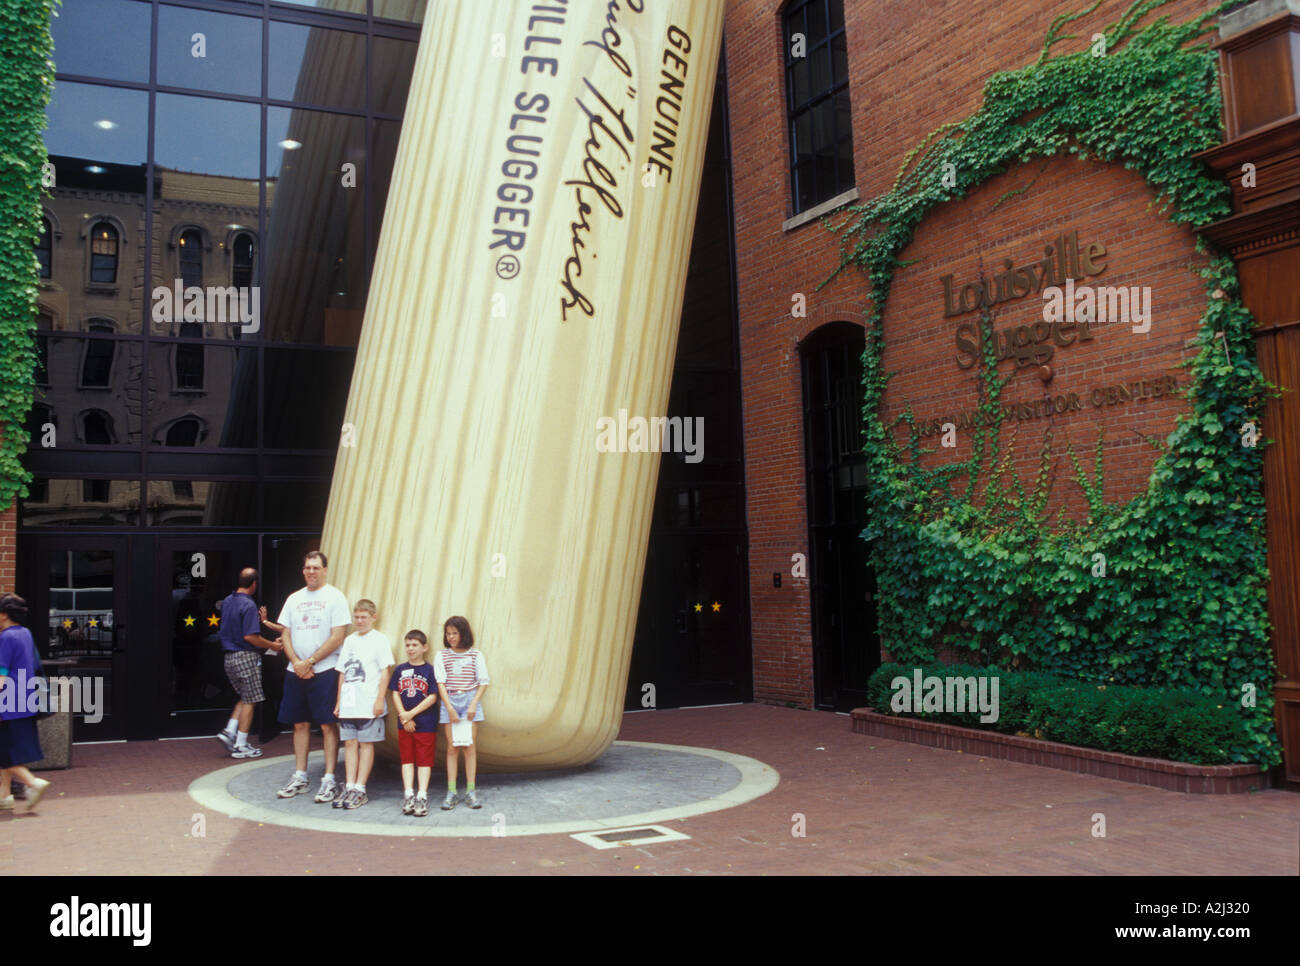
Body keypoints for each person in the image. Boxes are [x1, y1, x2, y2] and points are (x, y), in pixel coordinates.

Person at [275, 551, 351, 804]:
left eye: (316, 568)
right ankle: (300, 776)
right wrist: (297, 662)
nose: (311, 572)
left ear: (325, 570)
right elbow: (286, 633)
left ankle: (329, 779)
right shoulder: (294, 598)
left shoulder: (335, 597)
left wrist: (310, 661)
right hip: (295, 671)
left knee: (328, 725)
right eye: (307, 567)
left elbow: (338, 636)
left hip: (325, 670)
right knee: (299, 723)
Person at [330, 600, 393, 809]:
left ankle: (360, 788)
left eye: (364, 617)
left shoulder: (380, 640)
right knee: (349, 743)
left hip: (368, 702)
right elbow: (342, 672)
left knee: (366, 744)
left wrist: (379, 699)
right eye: (356, 617)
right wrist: (339, 700)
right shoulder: (349, 640)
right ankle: (349, 785)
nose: (359, 621)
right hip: (350, 702)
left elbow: (386, 671)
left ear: (373, 617)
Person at [215, 568, 284, 758]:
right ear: (254, 583)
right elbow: (251, 637)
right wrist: (273, 645)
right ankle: (241, 744)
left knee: (245, 696)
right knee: (251, 701)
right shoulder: (249, 604)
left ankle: (229, 731)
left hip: (229, 657)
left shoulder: (228, 601)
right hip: (246, 656)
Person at [0, 594, 52, 813]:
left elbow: (1, 675)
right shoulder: (26, 634)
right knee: (7, 751)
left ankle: (32, 783)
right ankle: (4, 796)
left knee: (4, 754)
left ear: (3, 616)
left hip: (6, 704)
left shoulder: (4, 638)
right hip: (25, 700)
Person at [434, 616, 489, 810]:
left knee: (469, 747)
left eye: (454, 633)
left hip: (469, 700)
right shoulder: (442, 655)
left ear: (463, 633)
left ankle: (471, 791)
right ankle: (451, 792)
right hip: (450, 701)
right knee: (452, 747)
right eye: (448, 633)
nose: (451, 637)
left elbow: (483, 681)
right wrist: (448, 707)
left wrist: (473, 704)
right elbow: (440, 682)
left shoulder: (475, 655)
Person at [389, 629, 439, 816]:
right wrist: (403, 714)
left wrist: (411, 714)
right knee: (407, 759)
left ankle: (422, 795)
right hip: (404, 721)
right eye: (408, 645)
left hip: (425, 722)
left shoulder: (430, 670)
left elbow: (433, 696)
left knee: (424, 760)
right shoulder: (400, 670)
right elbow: (394, 692)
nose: (410, 648)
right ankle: (408, 793)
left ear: (424, 647)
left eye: (415, 645)